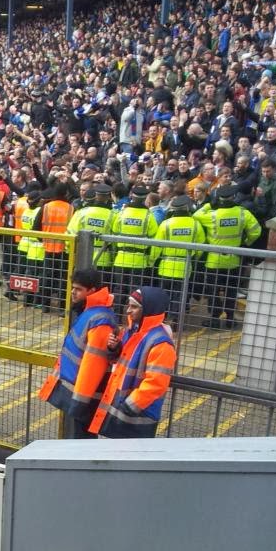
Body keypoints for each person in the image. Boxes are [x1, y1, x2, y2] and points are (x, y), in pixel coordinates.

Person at [38, 268, 116, 438]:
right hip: (81, 392)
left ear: (92, 291)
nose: (73, 292)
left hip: (86, 397)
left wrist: (80, 401)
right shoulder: (91, 312)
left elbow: (93, 365)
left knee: (83, 442)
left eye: (78, 289)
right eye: (73, 287)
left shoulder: (99, 319)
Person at [89, 286, 176, 439]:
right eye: (128, 305)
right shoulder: (133, 331)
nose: (128, 310)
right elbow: (121, 362)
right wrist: (114, 348)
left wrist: (129, 405)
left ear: (149, 310)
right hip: (123, 408)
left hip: (136, 415)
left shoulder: (161, 344)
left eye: (134, 307)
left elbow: (156, 384)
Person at [193, 184, 261, 329]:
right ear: (233, 197)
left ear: (219, 199)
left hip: (214, 261)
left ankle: (215, 319)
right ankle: (230, 319)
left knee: (213, 290)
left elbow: (196, 215)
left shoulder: (212, 215)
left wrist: (209, 205)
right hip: (234, 259)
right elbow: (256, 231)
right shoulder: (242, 213)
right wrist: (245, 243)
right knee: (231, 290)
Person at [150, 195, 206, 330]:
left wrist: (151, 261)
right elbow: (201, 245)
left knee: (165, 294)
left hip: (166, 266)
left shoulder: (166, 224)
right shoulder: (195, 224)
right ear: (187, 208)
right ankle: (175, 320)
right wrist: (195, 257)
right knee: (180, 295)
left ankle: (162, 319)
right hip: (185, 266)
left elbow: (156, 247)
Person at [108, 185, 159, 317]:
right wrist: (151, 260)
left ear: (132, 196)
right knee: (135, 292)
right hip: (139, 260)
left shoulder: (122, 213)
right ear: (144, 199)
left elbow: (113, 233)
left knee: (119, 289)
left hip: (121, 257)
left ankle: (116, 316)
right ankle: (132, 319)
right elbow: (154, 238)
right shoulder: (149, 216)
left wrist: (115, 253)